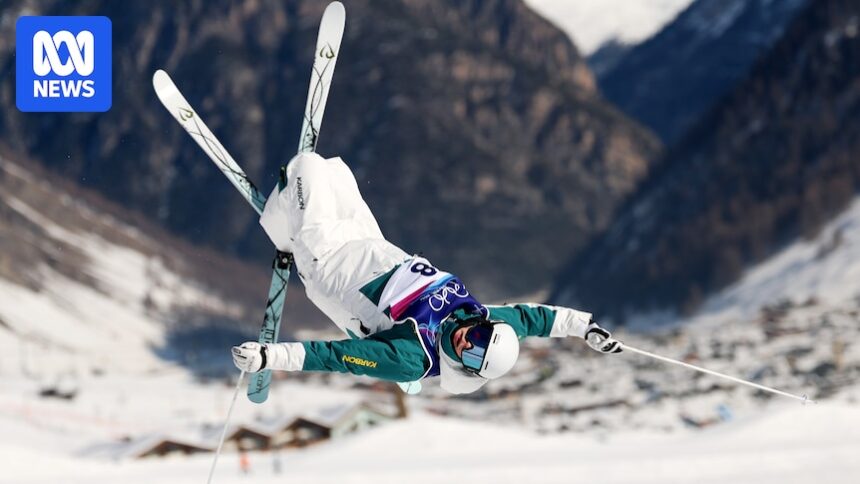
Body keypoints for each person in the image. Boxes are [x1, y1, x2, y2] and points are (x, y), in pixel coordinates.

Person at [232, 152, 622, 394]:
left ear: (466, 369)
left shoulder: (413, 358)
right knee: (336, 171)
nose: (470, 343)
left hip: (332, 267)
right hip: (372, 245)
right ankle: (291, 225)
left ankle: (284, 233)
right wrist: (584, 326)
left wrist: (272, 357)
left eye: (472, 356)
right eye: (482, 339)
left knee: (308, 168)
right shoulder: (479, 319)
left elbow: (340, 356)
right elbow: (532, 318)